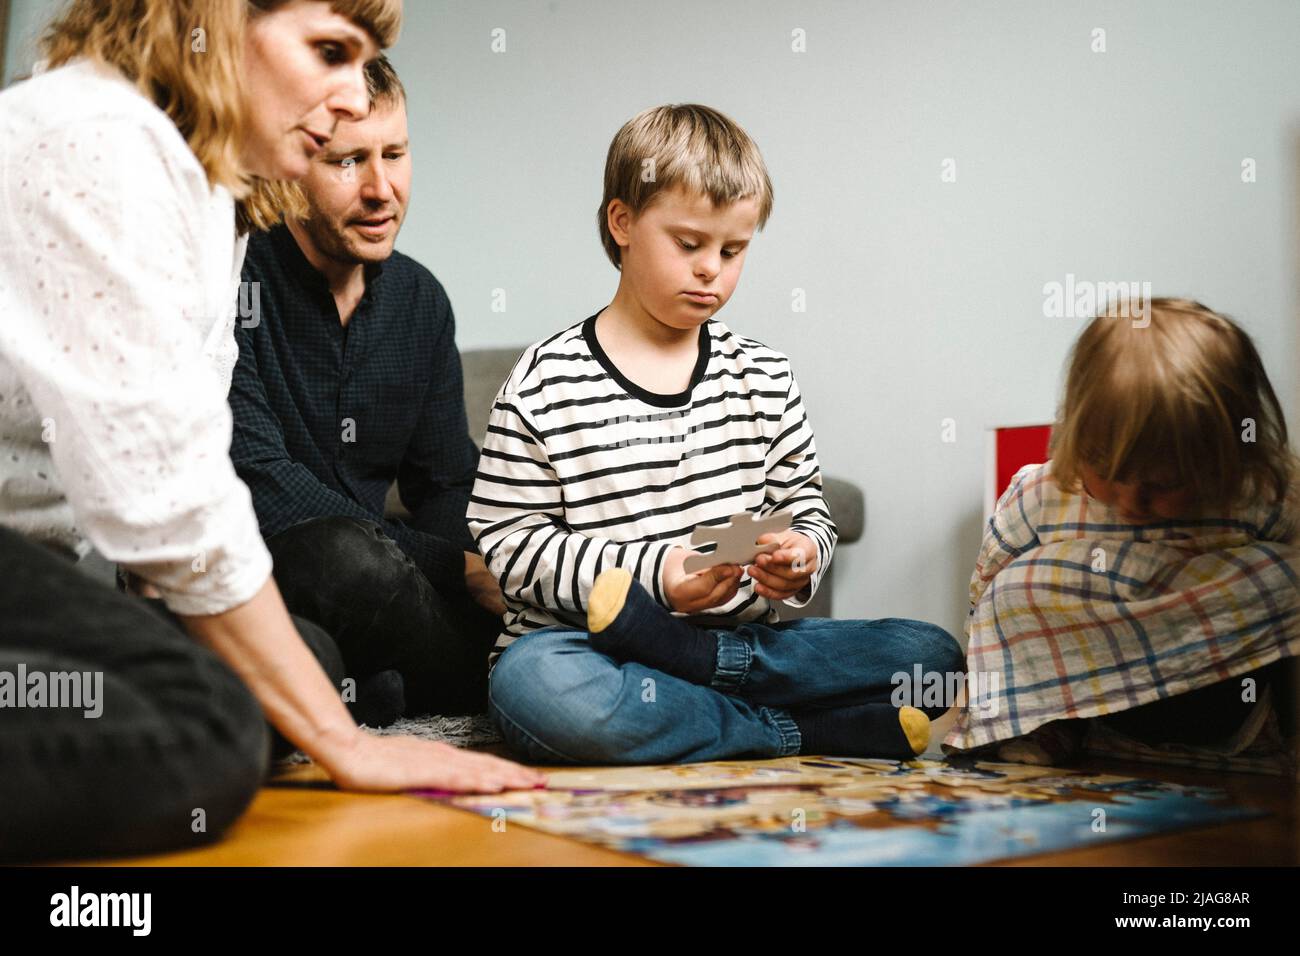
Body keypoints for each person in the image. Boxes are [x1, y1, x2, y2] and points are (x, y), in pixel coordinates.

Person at [0, 0, 540, 864]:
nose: (348, 93)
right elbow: (180, 502)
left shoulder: (207, 196)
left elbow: (444, 481)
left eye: (362, 65)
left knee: (303, 664)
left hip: (68, 575)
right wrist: (348, 744)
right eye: (329, 52)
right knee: (212, 733)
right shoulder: (96, 143)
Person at [469, 104, 964, 765]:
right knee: (537, 689)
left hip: (738, 646)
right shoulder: (545, 380)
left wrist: (801, 557)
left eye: (733, 251)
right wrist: (659, 577)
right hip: (591, 651)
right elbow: (510, 546)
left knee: (932, 659)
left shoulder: (763, 373)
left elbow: (807, 509)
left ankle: (714, 688)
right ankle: (798, 731)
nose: (712, 270)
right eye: (689, 244)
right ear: (622, 223)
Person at [229, 55, 501, 725]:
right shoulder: (232, 282)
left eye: (396, 154)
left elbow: (444, 485)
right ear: (291, 169)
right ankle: (473, 688)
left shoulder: (420, 302)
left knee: (511, 580)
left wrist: (506, 564)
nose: (382, 188)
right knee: (346, 560)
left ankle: (401, 687)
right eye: (347, 162)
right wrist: (451, 567)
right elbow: (263, 486)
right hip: (260, 575)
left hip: (386, 592)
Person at [944, 298, 1300, 765]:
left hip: (1214, 685)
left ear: (1225, 455)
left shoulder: (1260, 490)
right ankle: (1047, 730)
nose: (1132, 501)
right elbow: (986, 582)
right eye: (1107, 472)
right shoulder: (1044, 492)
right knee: (1010, 591)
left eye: (1164, 483)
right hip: (1080, 689)